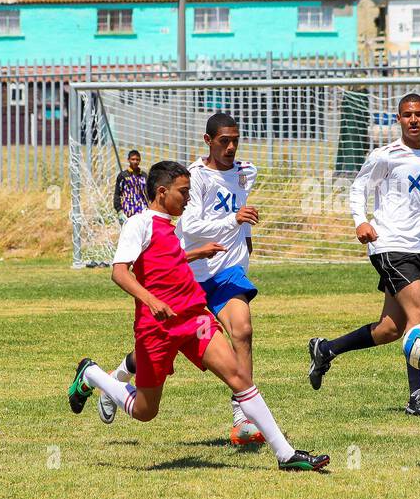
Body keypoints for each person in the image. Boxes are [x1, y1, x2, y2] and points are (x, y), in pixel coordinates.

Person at [66, 160, 329, 472]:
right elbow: (120, 273)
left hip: (193, 318)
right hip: (157, 328)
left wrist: (194, 253)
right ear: (162, 192)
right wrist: (151, 300)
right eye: (183, 192)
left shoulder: (170, 226)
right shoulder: (139, 224)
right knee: (145, 410)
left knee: (239, 378)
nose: (188, 199)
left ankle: (286, 455)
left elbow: (165, 260)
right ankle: (93, 374)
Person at [307, 93, 420, 417]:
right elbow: (357, 188)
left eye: (419, 114)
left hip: (419, 247)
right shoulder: (386, 155)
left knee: (391, 329)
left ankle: (326, 349)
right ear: (399, 118)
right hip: (389, 245)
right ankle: (416, 397)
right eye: (407, 115)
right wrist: (361, 221)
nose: (413, 120)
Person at [174, 112, 264, 446]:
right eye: (223, 141)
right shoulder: (195, 178)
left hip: (229, 271)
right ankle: (116, 378)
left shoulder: (246, 172)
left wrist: (246, 238)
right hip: (194, 275)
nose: (230, 147)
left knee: (242, 330)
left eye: (235, 140)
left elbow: (242, 211)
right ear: (208, 141)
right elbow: (191, 227)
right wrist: (234, 220)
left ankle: (243, 415)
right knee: (157, 352)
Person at [113, 149, 148, 219]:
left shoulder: (144, 176)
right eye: (133, 159)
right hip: (127, 210)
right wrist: (119, 210)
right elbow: (117, 194)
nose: (135, 162)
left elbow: (148, 193)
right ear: (128, 160)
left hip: (142, 210)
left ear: (140, 160)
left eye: (137, 159)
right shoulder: (123, 176)